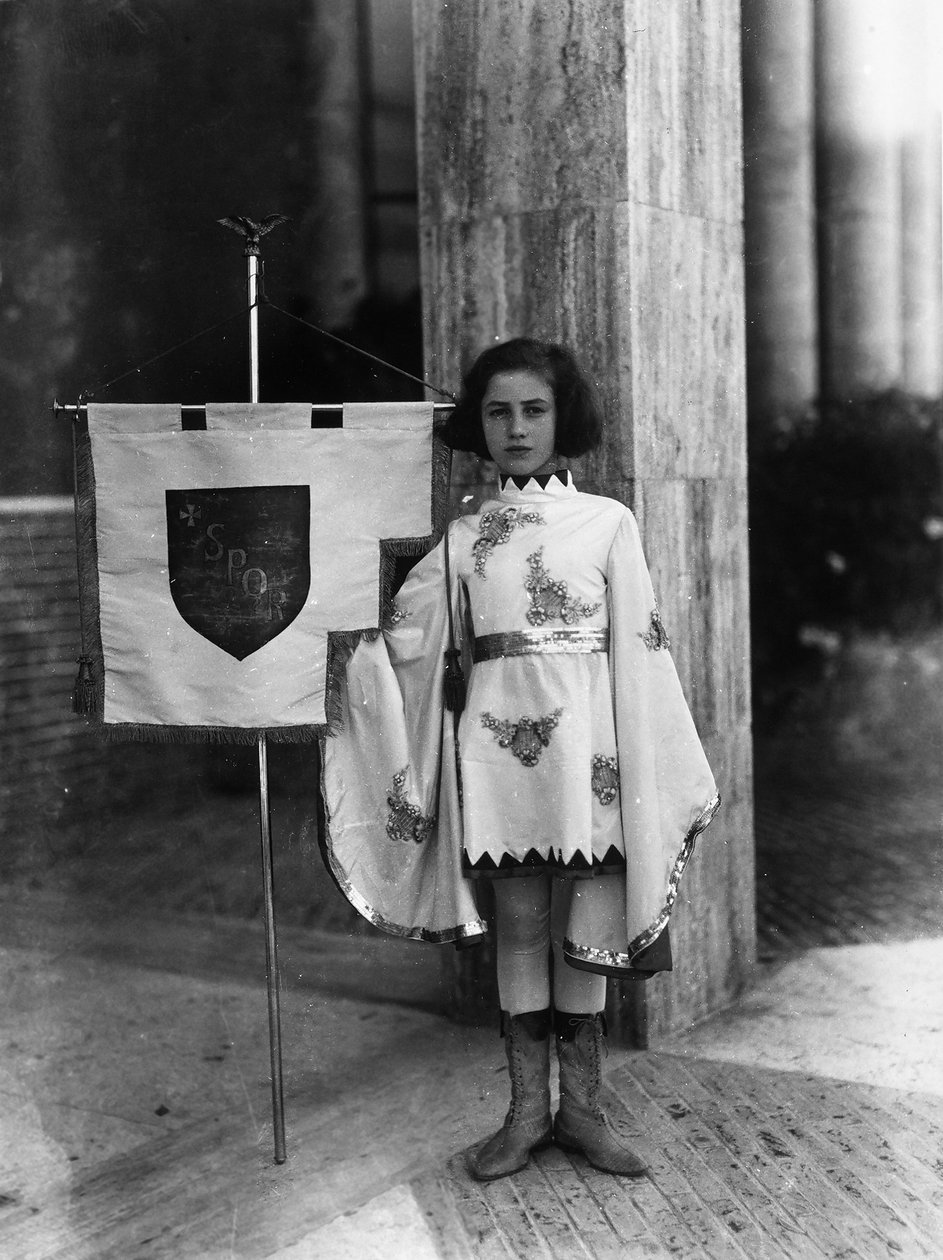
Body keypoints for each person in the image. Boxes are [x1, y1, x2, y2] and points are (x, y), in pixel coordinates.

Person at [320, 337, 719, 1182]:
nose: (516, 427)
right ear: (479, 423)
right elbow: (403, 643)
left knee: (587, 924)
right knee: (523, 926)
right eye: (498, 411)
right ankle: (523, 1115)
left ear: (561, 417)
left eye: (533, 409)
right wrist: (327, 651)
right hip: (498, 765)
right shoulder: (463, 536)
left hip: (593, 761)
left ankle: (582, 1112)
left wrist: (647, 767)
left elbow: (641, 649)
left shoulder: (609, 522)